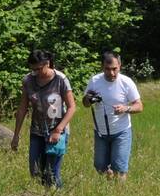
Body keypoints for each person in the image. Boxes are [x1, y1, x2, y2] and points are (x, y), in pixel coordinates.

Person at [13, 49, 76, 188]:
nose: (35, 72)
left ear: (47, 64)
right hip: (37, 131)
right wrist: (16, 135)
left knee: (51, 172)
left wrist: (58, 130)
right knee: (35, 170)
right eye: (32, 69)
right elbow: (22, 108)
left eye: (38, 69)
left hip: (57, 130)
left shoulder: (61, 79)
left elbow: (72, 107)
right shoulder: (28, 80)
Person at [84, 50, 142, 181]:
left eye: (115, 69)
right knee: (99, 166)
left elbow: (139, 106)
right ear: (102, 67)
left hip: (121, 132)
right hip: (100, 132)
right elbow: (86, 104)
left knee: (120, 168)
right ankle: (109, 182)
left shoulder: (126, 82)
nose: (111, 73)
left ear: (120, 66)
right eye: (107, 69)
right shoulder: (94, 81)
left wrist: (125, 108)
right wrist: (88, 98)